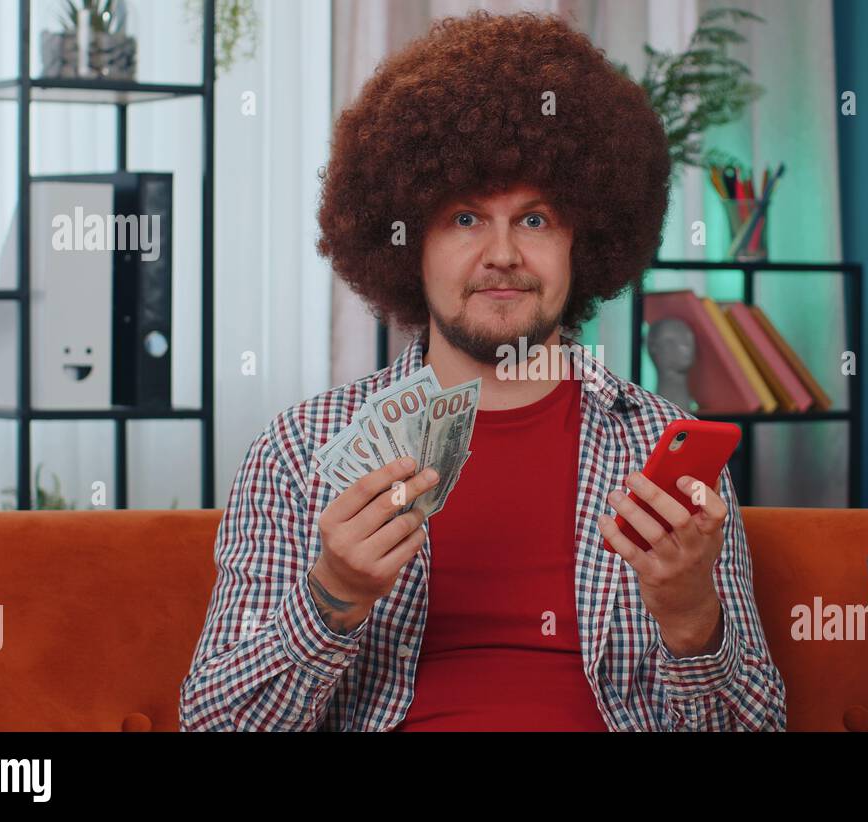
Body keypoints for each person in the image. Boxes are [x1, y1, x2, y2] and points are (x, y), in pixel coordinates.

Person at [180, 9, 785, 732]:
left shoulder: (667, 452)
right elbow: (215, 725)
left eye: (535, 220)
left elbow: (755, 727)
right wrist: (332, 596)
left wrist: (692, 621)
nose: (502, 254)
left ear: (584, 241)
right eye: (465, 218)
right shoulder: (299, 449)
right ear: (408, 242)